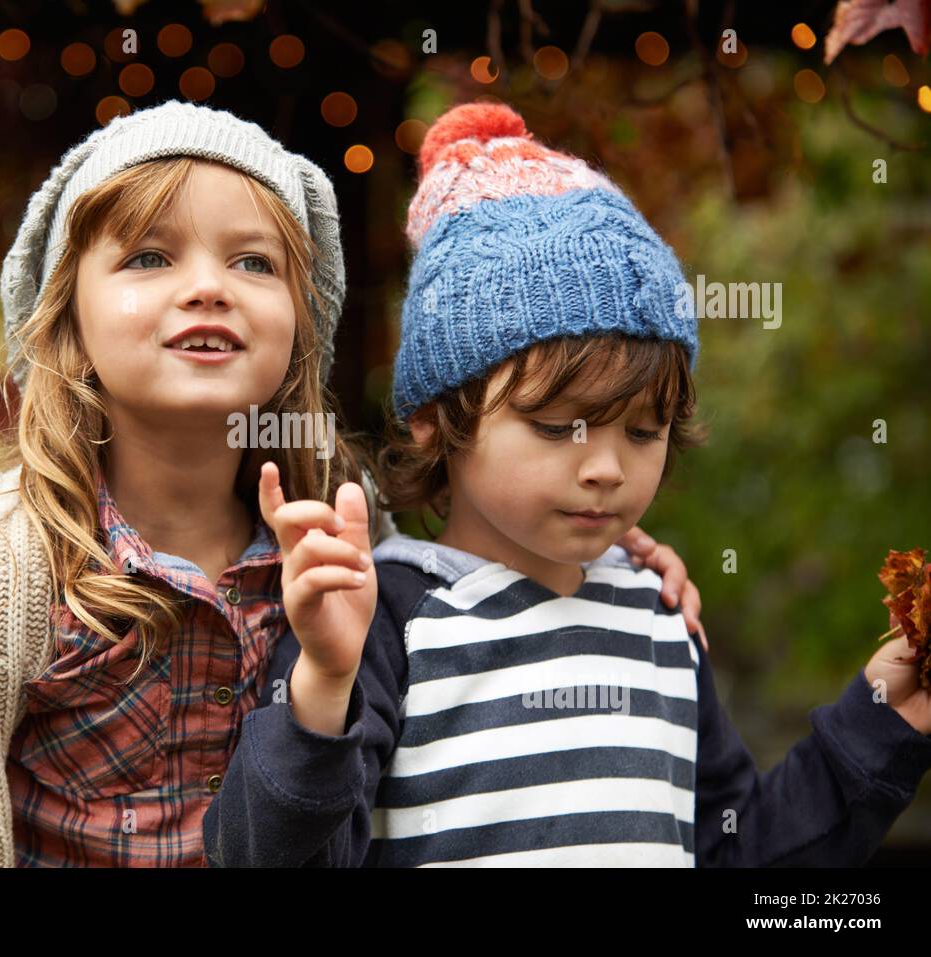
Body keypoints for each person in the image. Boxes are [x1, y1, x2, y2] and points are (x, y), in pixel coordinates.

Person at [0, 99, 700, 867]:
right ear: (64, 324)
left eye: (253, 262)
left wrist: (608, 552)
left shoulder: (340, 532)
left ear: (302, 327)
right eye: (149, 256)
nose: (209, 288)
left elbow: (478, 546)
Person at [202, 101, 931, 868]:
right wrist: (320, 686)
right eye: (558, 426)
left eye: (643, 431)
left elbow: (740, 851)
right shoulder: (378, 619)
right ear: (431, 418)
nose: (607, 466)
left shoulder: (659, 617)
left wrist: (883, 719)